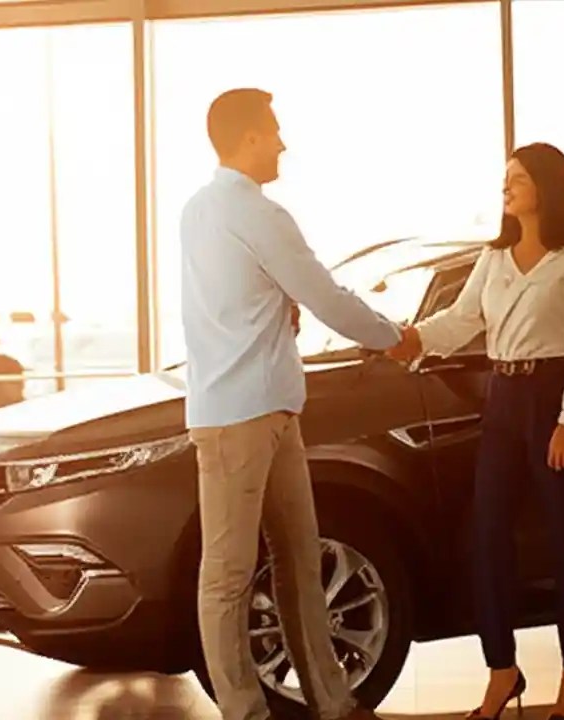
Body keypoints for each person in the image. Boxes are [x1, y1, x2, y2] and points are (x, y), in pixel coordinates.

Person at [179, 87, 402, 720]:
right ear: (247, 136)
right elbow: (324, 294)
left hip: (271, 411)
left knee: (301, 558)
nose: (282, 143)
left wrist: (282, 306)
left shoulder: (199, 210)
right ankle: (246, 712)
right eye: (273, 131)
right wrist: (394, 338)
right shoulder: (258, 213)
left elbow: (238, 300)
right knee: (226, 574)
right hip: (237, 419)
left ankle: (332, 702)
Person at [388, 143, 564, 720]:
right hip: (503, 401)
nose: (507, 188)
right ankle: (502, 671)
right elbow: (464, 320)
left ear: (548, 186)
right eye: (505, 179)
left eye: (517, 179)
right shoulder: (494, 259)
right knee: (486, 540)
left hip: (553, 401)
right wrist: (412, 338)